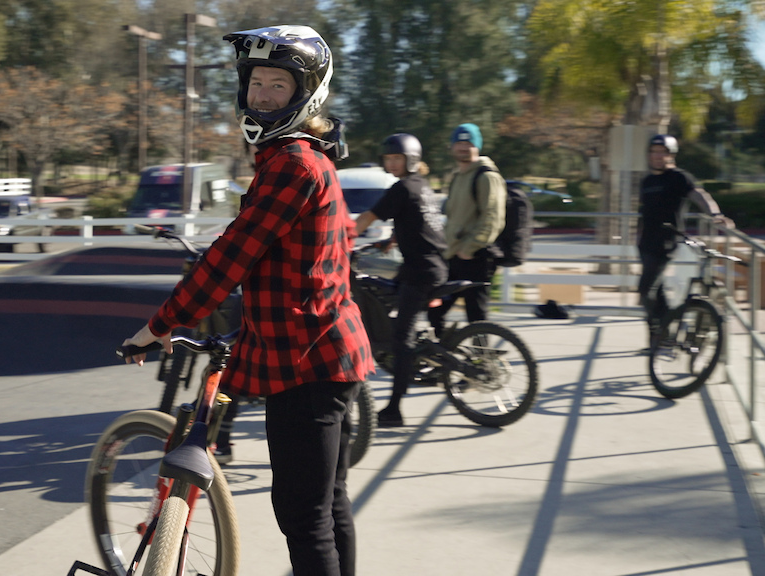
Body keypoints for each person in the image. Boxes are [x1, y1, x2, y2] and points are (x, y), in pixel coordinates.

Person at [120, 25, 372, 576]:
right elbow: (282, 253)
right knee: (328, 506)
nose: (262, 95)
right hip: (325, 351)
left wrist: (160, 324)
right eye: (256, 82)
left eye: (278, 85)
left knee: (304, 517)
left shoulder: (293, 164)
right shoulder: (302, 158)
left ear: (306, 93)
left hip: (307, 363)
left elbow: (235, 254)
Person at [354, 133, 447, 427]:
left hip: (421, 272)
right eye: (389, 158)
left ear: (412, 160)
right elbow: (415, 221)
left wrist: (340, 237)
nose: (392, 162)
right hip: (432, 266)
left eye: (398, 158)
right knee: (397, 310)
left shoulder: (402, 187)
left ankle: (393, 409)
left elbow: (368, 217)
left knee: (401, 340)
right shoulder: (421, 186)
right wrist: (389, 242)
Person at [638, 134, 733, 349]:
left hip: (667, 241)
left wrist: (715, 215)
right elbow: (644, 212)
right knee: (655, 290)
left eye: (662, 152)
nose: (657, 156)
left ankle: (662, 331)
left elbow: (699, 195)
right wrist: (638, 237)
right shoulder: (646, 181)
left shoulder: (678, 177)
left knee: (645, 289)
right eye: (654, 152)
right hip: (646, 243)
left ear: (671, 155)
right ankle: (661, 334)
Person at [427, 123, 506, 338]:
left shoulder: (487, 176)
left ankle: (483, 367)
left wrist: (468, 249)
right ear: (452, 147)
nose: (463, 147)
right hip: (453, 257)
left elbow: (493, 218)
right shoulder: (458, 177)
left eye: (468, 143)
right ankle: (444, 361)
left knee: (476, 319)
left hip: (476, 257)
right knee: (435, 310)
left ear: (477, 146)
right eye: (459, 143)